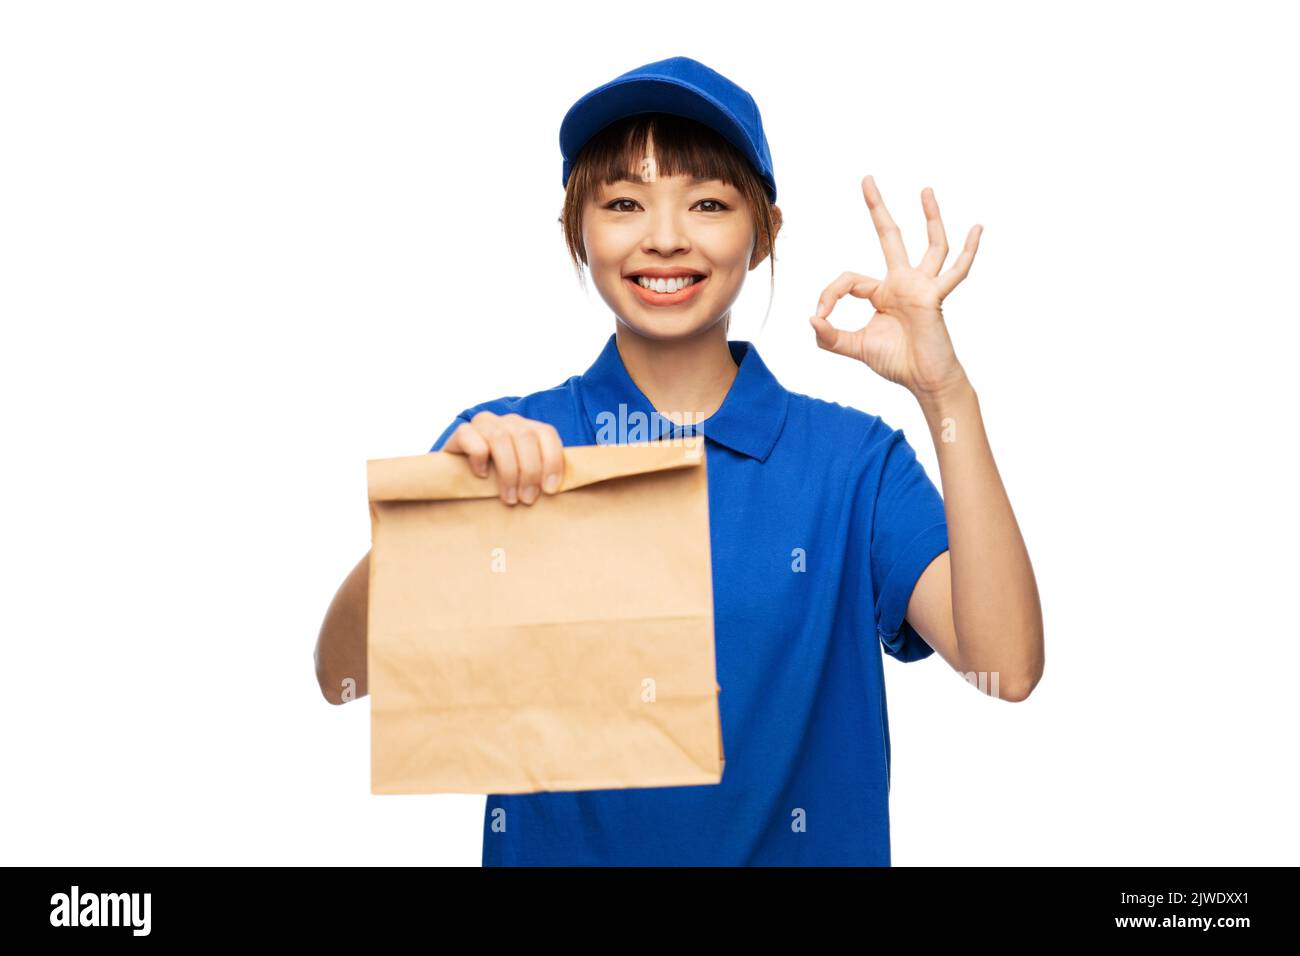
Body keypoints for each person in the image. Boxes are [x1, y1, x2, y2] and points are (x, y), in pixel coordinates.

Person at [315, 56, 1044, 865]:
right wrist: (443, 518)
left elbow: (1006, 668)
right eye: (624, 203)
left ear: (763, 232)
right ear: (577, 231)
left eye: (707, 203)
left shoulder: (852, 464)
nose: (665, 237)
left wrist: (946, 395)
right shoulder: (504, 448)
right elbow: (342, 677)